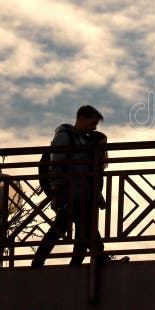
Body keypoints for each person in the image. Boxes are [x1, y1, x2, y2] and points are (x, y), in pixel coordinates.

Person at [32, 104, 108, 267]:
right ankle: (96, 260)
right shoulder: (66, 136)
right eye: (93, 123)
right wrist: (59, 194)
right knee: (73, 228)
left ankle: (45, 262)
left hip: (80, 193)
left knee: (80, 228)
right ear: (82, 118)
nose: (94, 128)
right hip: (70, 193)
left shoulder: (80, 138)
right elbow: (56, 166)